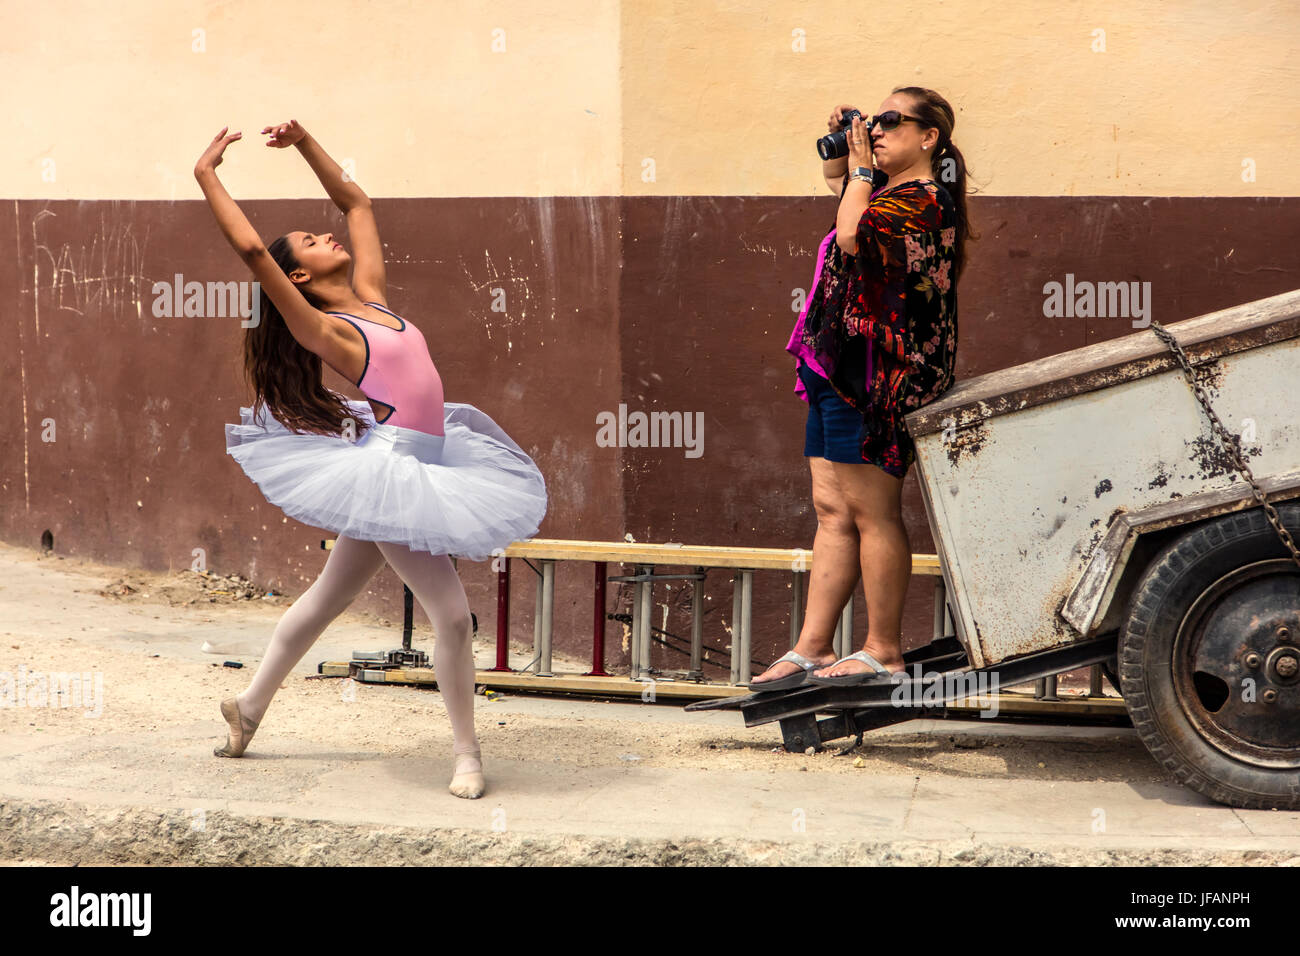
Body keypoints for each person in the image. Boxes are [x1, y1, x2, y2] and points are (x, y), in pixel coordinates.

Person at [194, 120, 547, 798]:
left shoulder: (376, 301)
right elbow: (249, 251)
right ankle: (467, 756)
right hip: (396, 470)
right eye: (309, 241)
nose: (327, 235)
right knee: (449, 617)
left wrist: (303, 144)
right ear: (298, 276)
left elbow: (357, 205)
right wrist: (208, 175)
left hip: (428, 462)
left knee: (332, 595)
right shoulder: (323, 326)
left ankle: (249, 708)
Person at [749, 87, 974, 691]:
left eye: (891, 121)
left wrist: (863, 169)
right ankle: (813, 648)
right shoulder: (886, 190)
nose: (877, 129)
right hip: (837, 369)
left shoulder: (925, 200)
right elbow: (842, 197)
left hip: (878, 378)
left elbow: (850, 235)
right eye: (874, 121)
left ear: (929, 137)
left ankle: (883, 650)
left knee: (873, 513)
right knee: (831, 511)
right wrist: (844, 161)